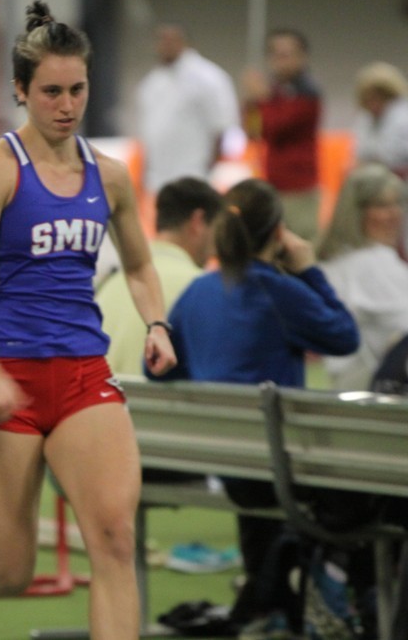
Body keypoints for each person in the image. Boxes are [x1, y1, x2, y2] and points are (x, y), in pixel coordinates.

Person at [0, 0, 176, 638]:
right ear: (21, 91)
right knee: (8, 573)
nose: (66, 105)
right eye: (50, 92)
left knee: (115, 539)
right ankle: (19, 473)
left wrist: (157, 324)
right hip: (4, 379)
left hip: (82, 377)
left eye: (77, 89)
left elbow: (138, 267)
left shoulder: (111, 177)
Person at [151, 178, 359, 635]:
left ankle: (265, 603)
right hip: (278, 469)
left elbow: (158, 371)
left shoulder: (197, 294)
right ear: (279, 233)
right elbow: (345, 337)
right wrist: (306, 269)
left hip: (226, 465)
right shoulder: (277, 291)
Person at [98, 176, 223, 377]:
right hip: (158, 407)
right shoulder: (201, 288)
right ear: (198, 221)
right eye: (218, 230)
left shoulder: (110, 285)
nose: (217, 247)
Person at [316, 163, 408, 391]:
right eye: (382, 206)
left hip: (347, 389)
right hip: (377, 393)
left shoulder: (333, 262)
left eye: (397, 203)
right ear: (357, 212)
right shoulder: (374, 263)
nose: (394, 214)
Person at [136, 24, 241, 193]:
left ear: (186, 43)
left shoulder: (209, 78)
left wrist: (210, 168)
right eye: (161, 40)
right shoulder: (152, 82)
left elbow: (222, 126)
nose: (165, 45)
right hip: (158, 176)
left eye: (171, 40)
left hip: (195, 174)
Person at [241, 28, 323, 241]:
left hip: (298, 189)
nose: (280, 61)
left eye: (286, 55)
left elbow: (275, 128)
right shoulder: (275, 91)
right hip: (274, 184)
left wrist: (262, 99)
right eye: (276, 55)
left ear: (301, 56)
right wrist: (251, 102)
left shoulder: (307, 93)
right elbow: (253, 132)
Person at [352, 61, 408, 179]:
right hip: (374, 176)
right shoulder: (365, 118)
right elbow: (359, 152)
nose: (373, 104)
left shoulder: (402, 115)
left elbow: (392, 154)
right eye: (369, 99)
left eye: (377, 98)